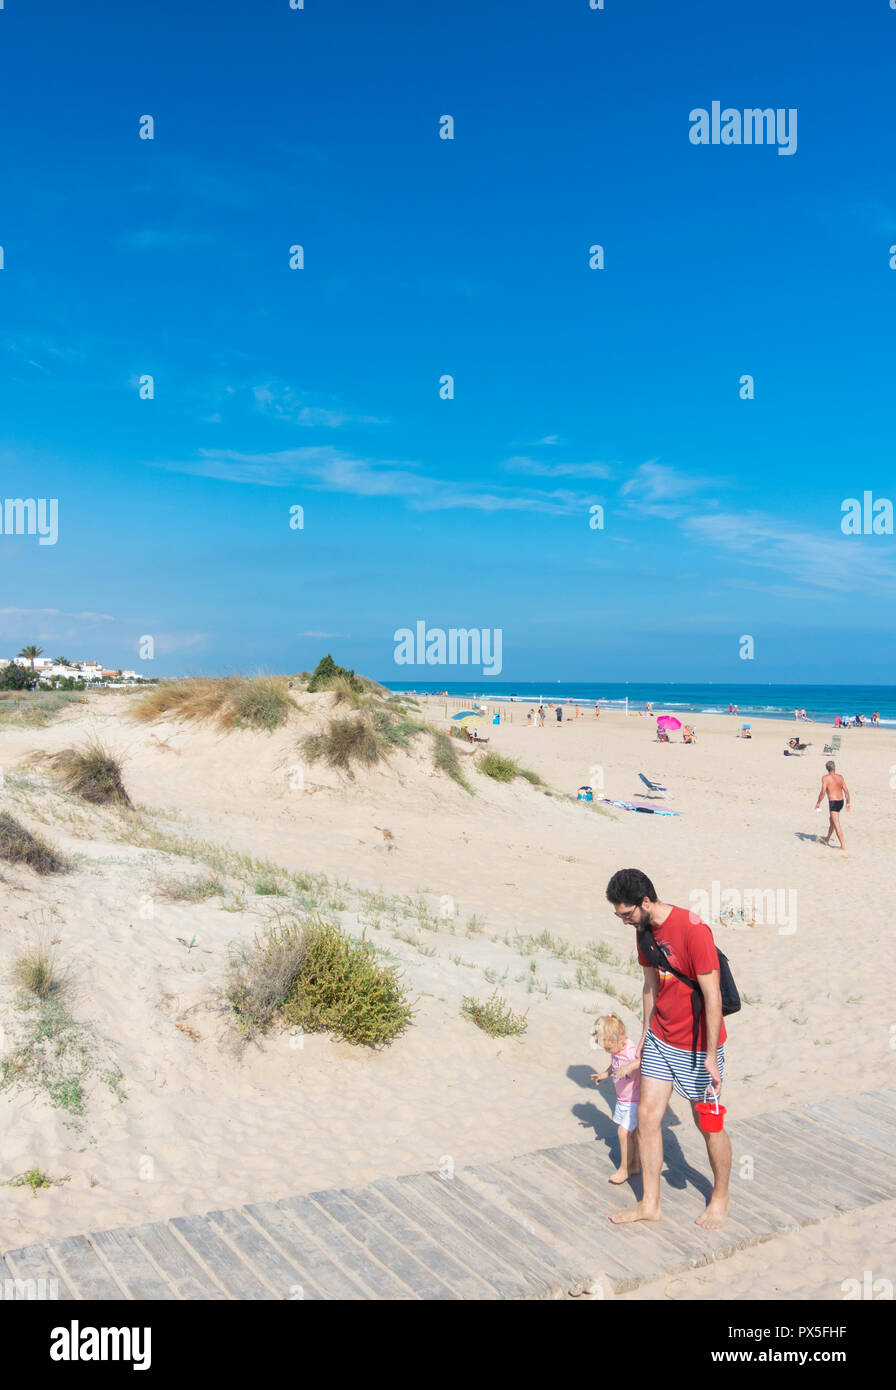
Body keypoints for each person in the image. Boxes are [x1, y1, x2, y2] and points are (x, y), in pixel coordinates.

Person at [604, 868, 730, 1229]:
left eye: (627, 914)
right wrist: (645, 1037)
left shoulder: (693, 929)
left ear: (646, 902)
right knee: (646, 1116)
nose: (625, 921)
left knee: (707, 1124)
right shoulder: (643, 933)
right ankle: (650, 1203)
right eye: (619, 915)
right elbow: (649, 987)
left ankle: (720, 1196)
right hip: (661, 1038)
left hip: (696, 1045)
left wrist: (710, 1055)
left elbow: (712, 995)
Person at [591, 1014, 641, 1184]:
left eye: (608, 1048)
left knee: (623, 1132)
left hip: (634, 1099)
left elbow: (643, 1061)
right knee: (631, 1134)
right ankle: (634, 1164)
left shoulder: (630, 1050)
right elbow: (614, 1064)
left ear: (618, 1039)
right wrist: (605, 1074)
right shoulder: (617, 1049)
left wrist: (629, 1067)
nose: (608, 1052)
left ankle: (624, 1169)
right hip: (623, 1099)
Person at [816, 760, 850, 850]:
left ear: (827, 769)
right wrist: (848, 803)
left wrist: (818, 802)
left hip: (833, 803)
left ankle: (842, 846)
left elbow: (823, 791)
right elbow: (846, 791)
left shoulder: (825, 778)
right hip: (841, 801)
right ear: (835, 768)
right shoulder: (840, 777)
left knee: (836, 823)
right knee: (831, 821)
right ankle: (827, 839)